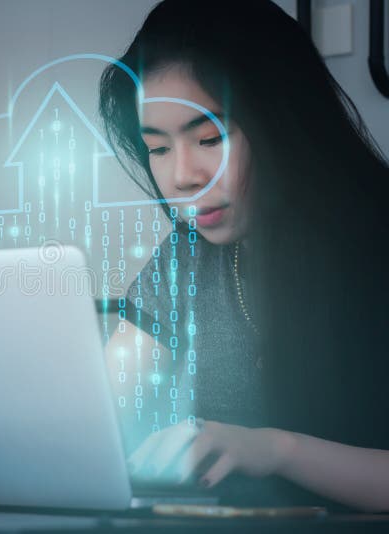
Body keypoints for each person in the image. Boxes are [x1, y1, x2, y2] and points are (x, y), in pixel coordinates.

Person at [98, 0, 389, 511]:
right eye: (158, 149)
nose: (182, 177)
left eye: (209, 138)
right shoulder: (186, 257)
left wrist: (276, 450)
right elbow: (105, 409)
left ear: (285, 121)